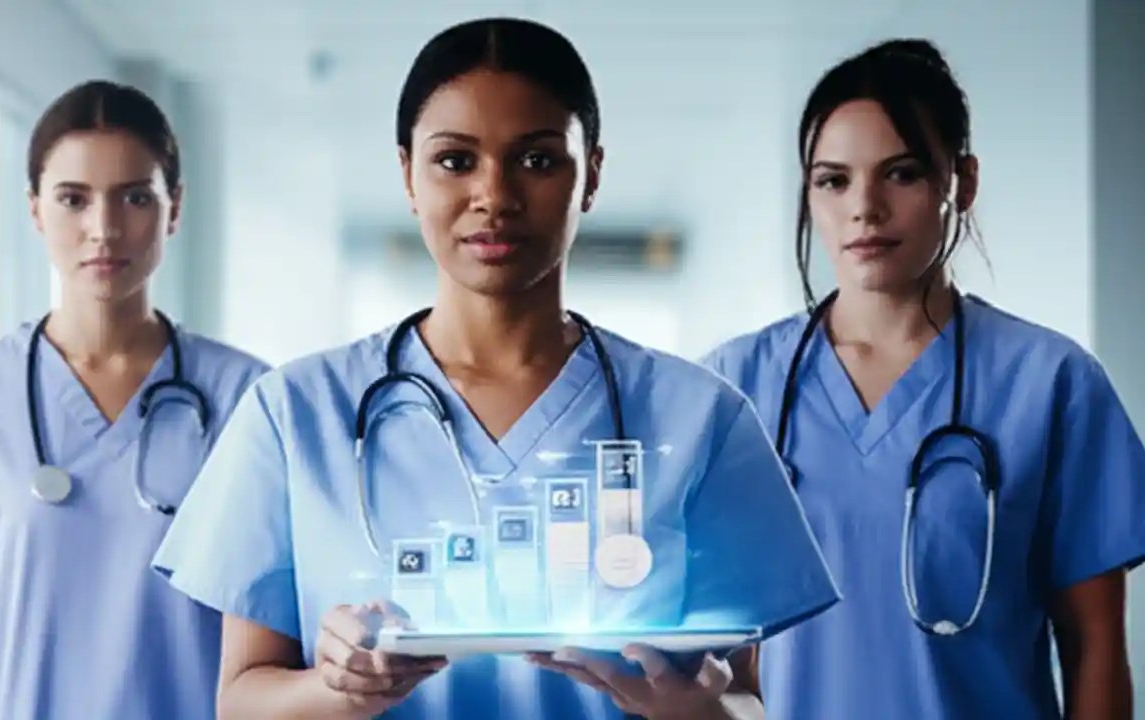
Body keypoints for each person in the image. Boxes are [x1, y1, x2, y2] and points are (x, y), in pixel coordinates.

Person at [151, 16, 837, 720]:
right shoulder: (294, 413)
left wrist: (686, 709)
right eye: (455, 161)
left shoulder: (701, 418)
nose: (495, 196)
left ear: (592, 174)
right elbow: (241, 700)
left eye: (537, 160)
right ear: (408, 175)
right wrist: (338, 689)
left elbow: (748, 702)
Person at [702, 38, 1145, 720]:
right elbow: (720, 660)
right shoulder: (736, 388)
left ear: (961, 182)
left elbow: (1094, 647)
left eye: (902, 174)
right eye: (833, 180)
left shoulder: (1051, 384)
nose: (865, 207)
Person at [0, 80, 270, 719]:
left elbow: (271, 652)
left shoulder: (247, 400)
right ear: (35, 210)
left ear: (174, 208)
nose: (103, 229)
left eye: (135, 197)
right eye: (73, 199)